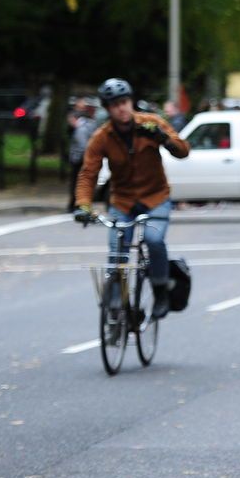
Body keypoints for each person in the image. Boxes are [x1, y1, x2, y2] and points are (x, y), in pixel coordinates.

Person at [74, 79, 190, 319]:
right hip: (123, 201)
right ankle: (118, 301)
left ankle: (160, 291)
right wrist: (83, 205)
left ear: (131, 102)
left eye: (124, 102)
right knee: (117, 249)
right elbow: (88, 173)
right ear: (107, 109)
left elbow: (183, 150)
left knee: (153, 239)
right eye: (115, 105)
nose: (121, 108)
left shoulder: (151, 123)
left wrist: (162, 137)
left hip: (155, 197)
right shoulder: (102, 137)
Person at [66, 99, 98, 212]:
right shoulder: (87, 123)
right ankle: (77, 204)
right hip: (81, 158)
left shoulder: (84, 125)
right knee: (79, 181)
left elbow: (83, 143)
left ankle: (78, 204)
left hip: (80, 158)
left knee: (78, 181)